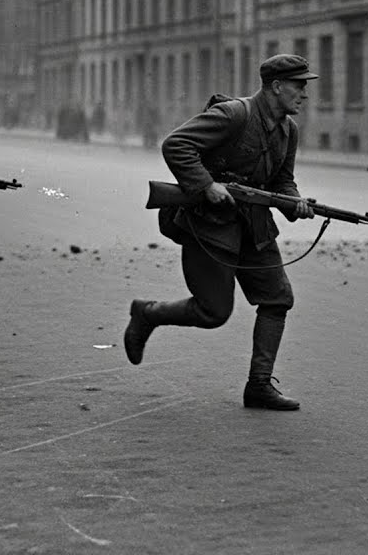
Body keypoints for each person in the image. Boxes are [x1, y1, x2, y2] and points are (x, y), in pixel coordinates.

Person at [124, 53, 317, 411]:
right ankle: (147, 313)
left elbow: (282, 181)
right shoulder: (234, 115)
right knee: (213, 312)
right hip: (210, 226)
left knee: (278, 299)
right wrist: (206, 185)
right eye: (299, 86)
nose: (304, 94)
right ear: (276, 87)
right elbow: (176, 145)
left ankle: (259, 386)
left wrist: (295, 203)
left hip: (254, 227)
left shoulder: (288, 131)